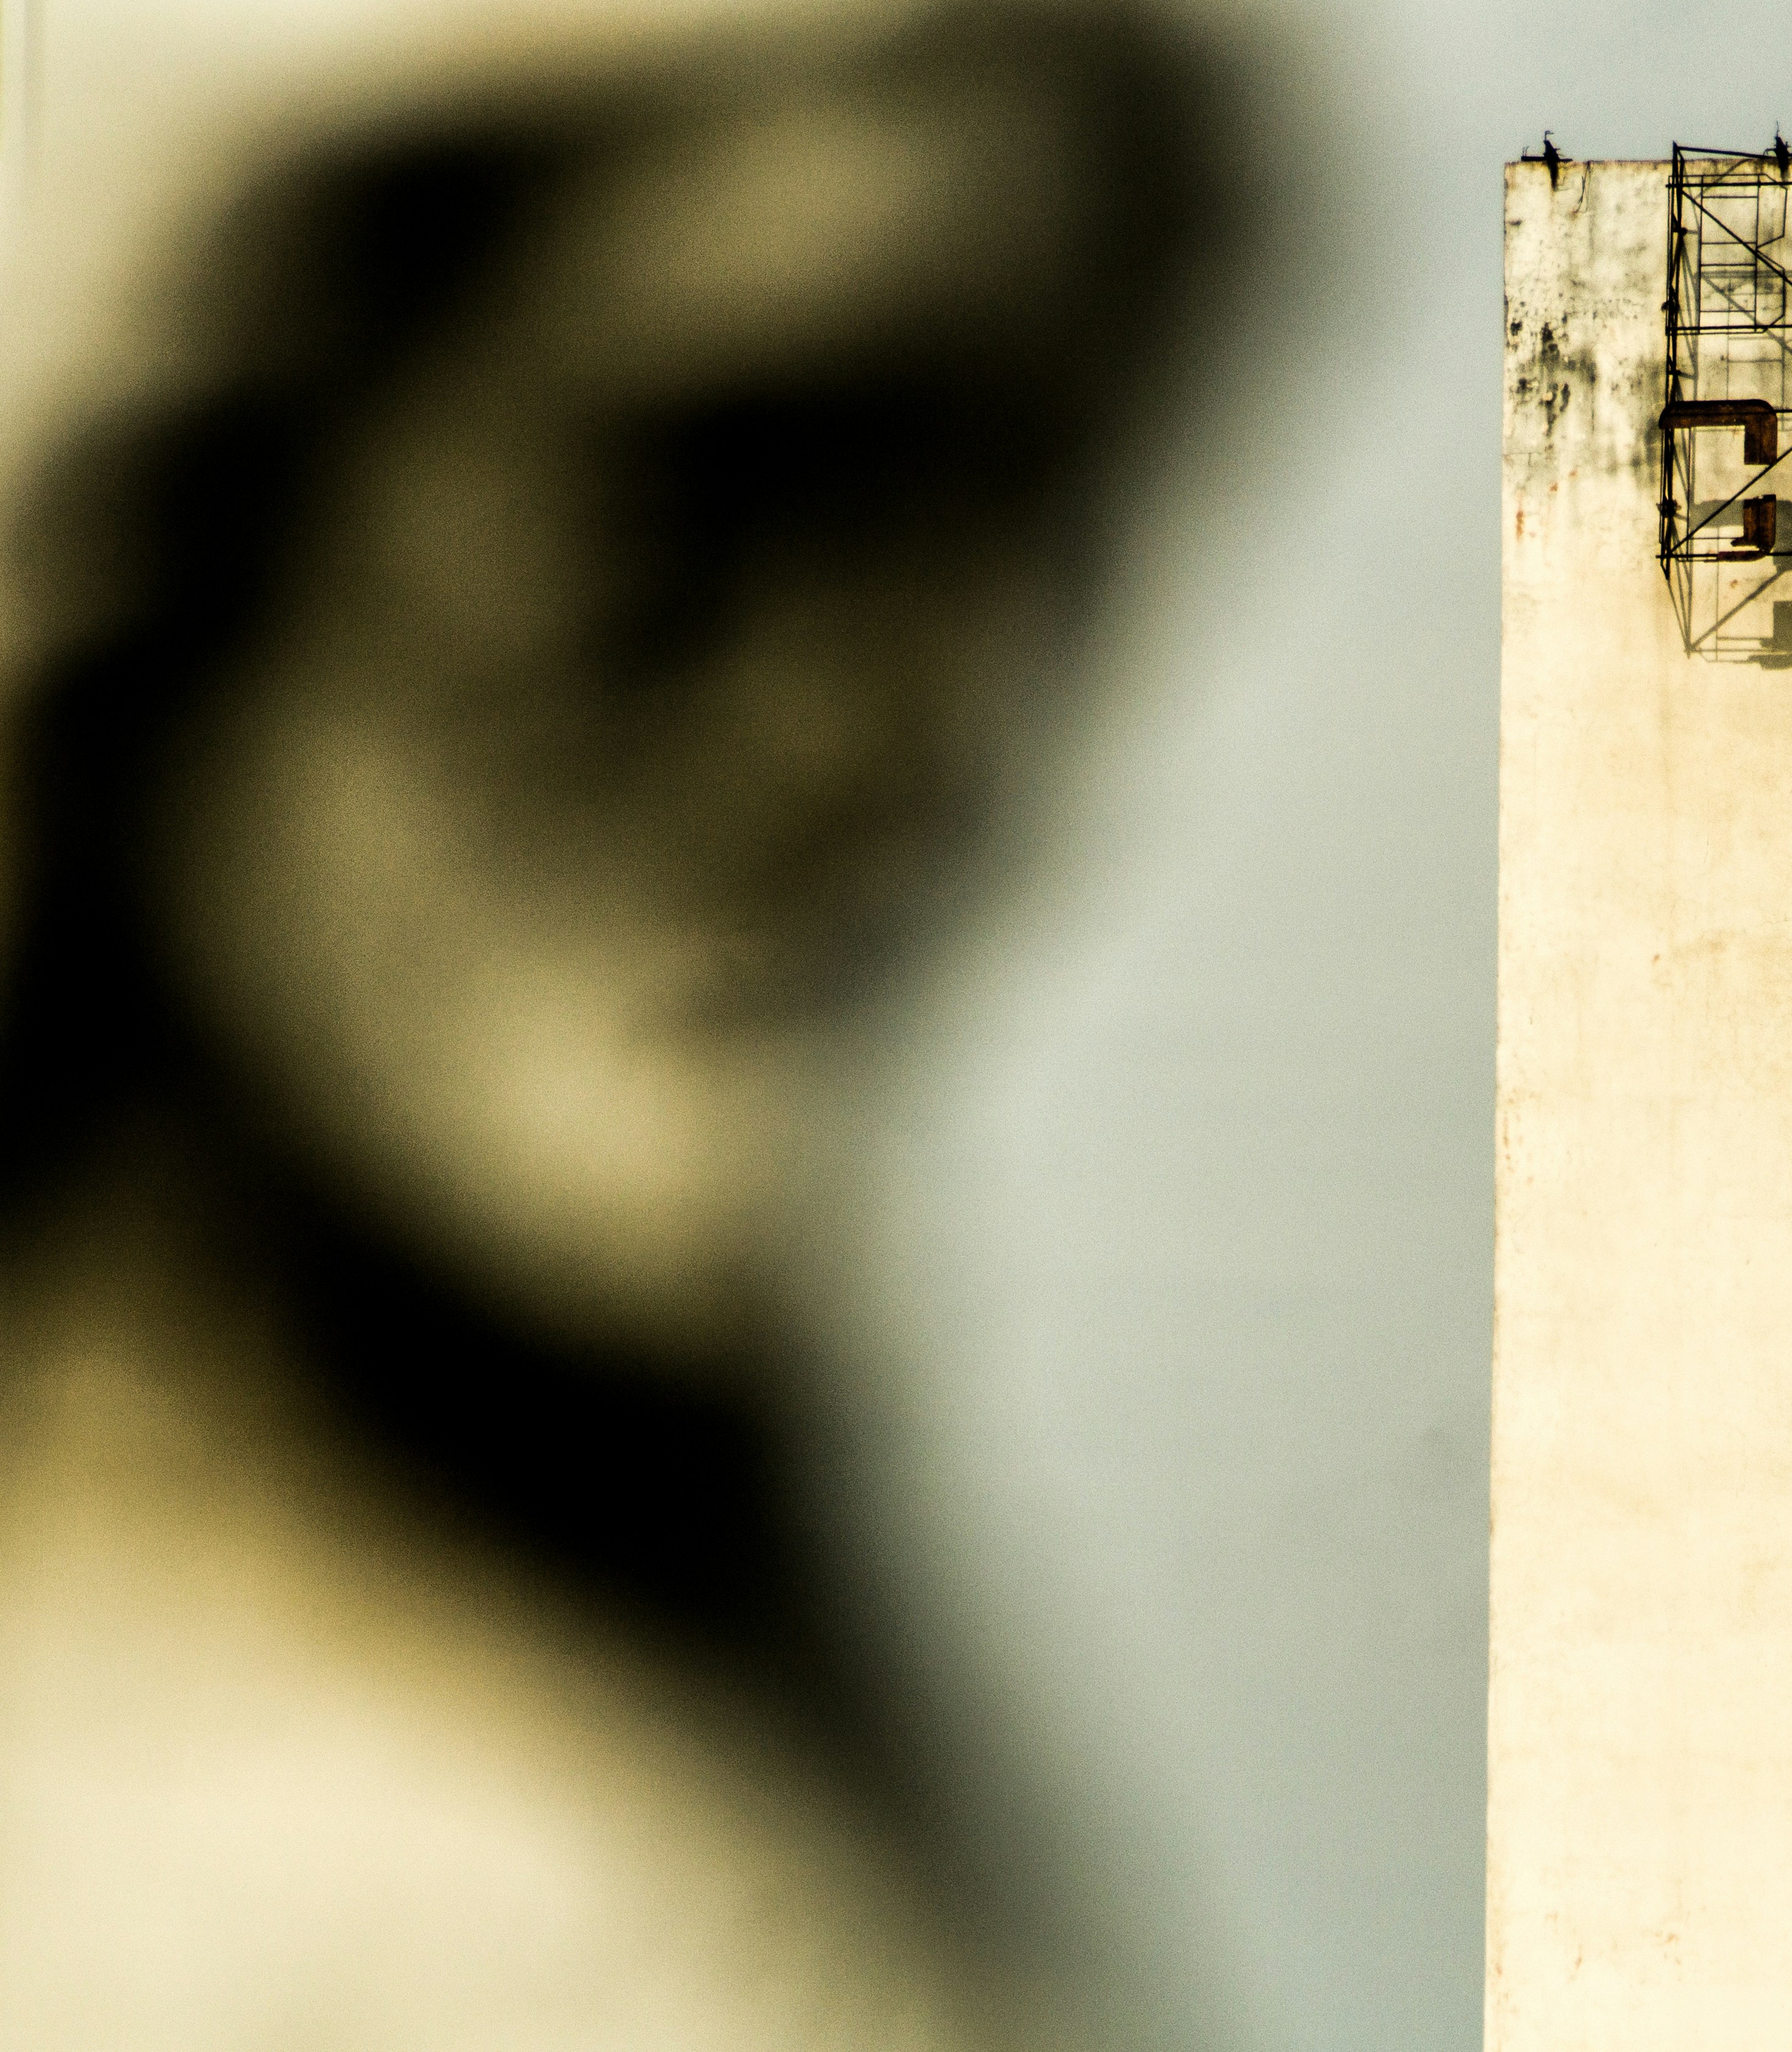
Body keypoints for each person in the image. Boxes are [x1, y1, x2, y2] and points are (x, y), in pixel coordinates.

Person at [0, 3, 1239, 2040]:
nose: (898, 737)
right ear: (200, 498)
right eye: (713, 482)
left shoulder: (719, 1670)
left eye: (1021, 522)